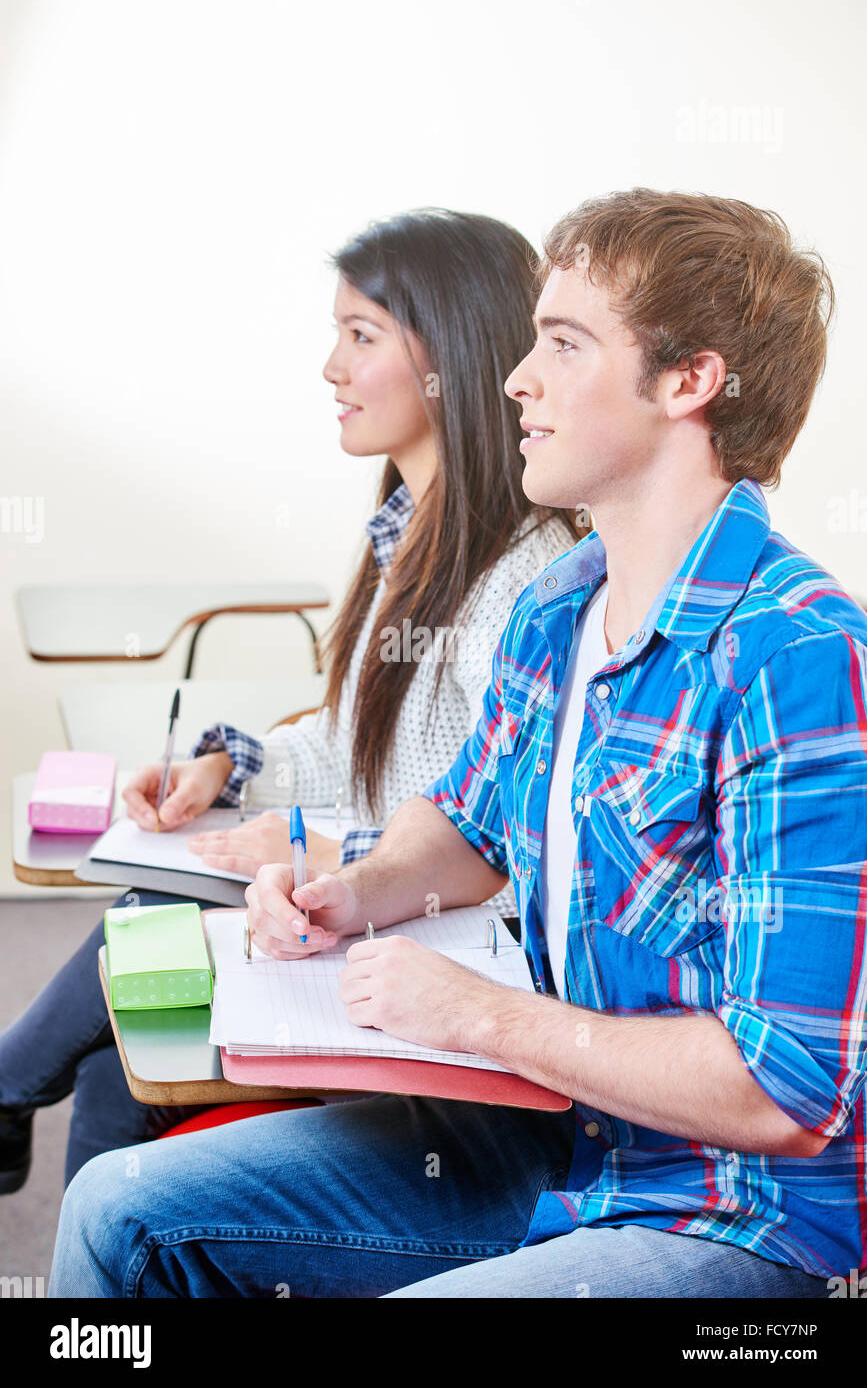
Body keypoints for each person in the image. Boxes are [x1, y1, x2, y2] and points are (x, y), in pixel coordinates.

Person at [50, 188, 867, 1300]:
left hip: (731, 1211)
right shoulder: (560, 608)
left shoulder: (799, 654)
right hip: (545, 1140)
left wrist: (478, 1013)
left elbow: (787, 1089)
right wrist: (359, 890)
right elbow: (470, 825)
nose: (516, 378)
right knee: (117, 1211)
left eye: (565, 344)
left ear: (690, 381)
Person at [0, 209, 577, 1193]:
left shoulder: (523, 582)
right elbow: (352, 740)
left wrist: (317, 847)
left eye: (361, 336)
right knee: (114, 1049)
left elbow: (508, 850)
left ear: (453, 354)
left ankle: (9, 1103)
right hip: (372, 904)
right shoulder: (408, 535)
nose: (331, 368)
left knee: (146, 928)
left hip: (446, 953)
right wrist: (229, 765)